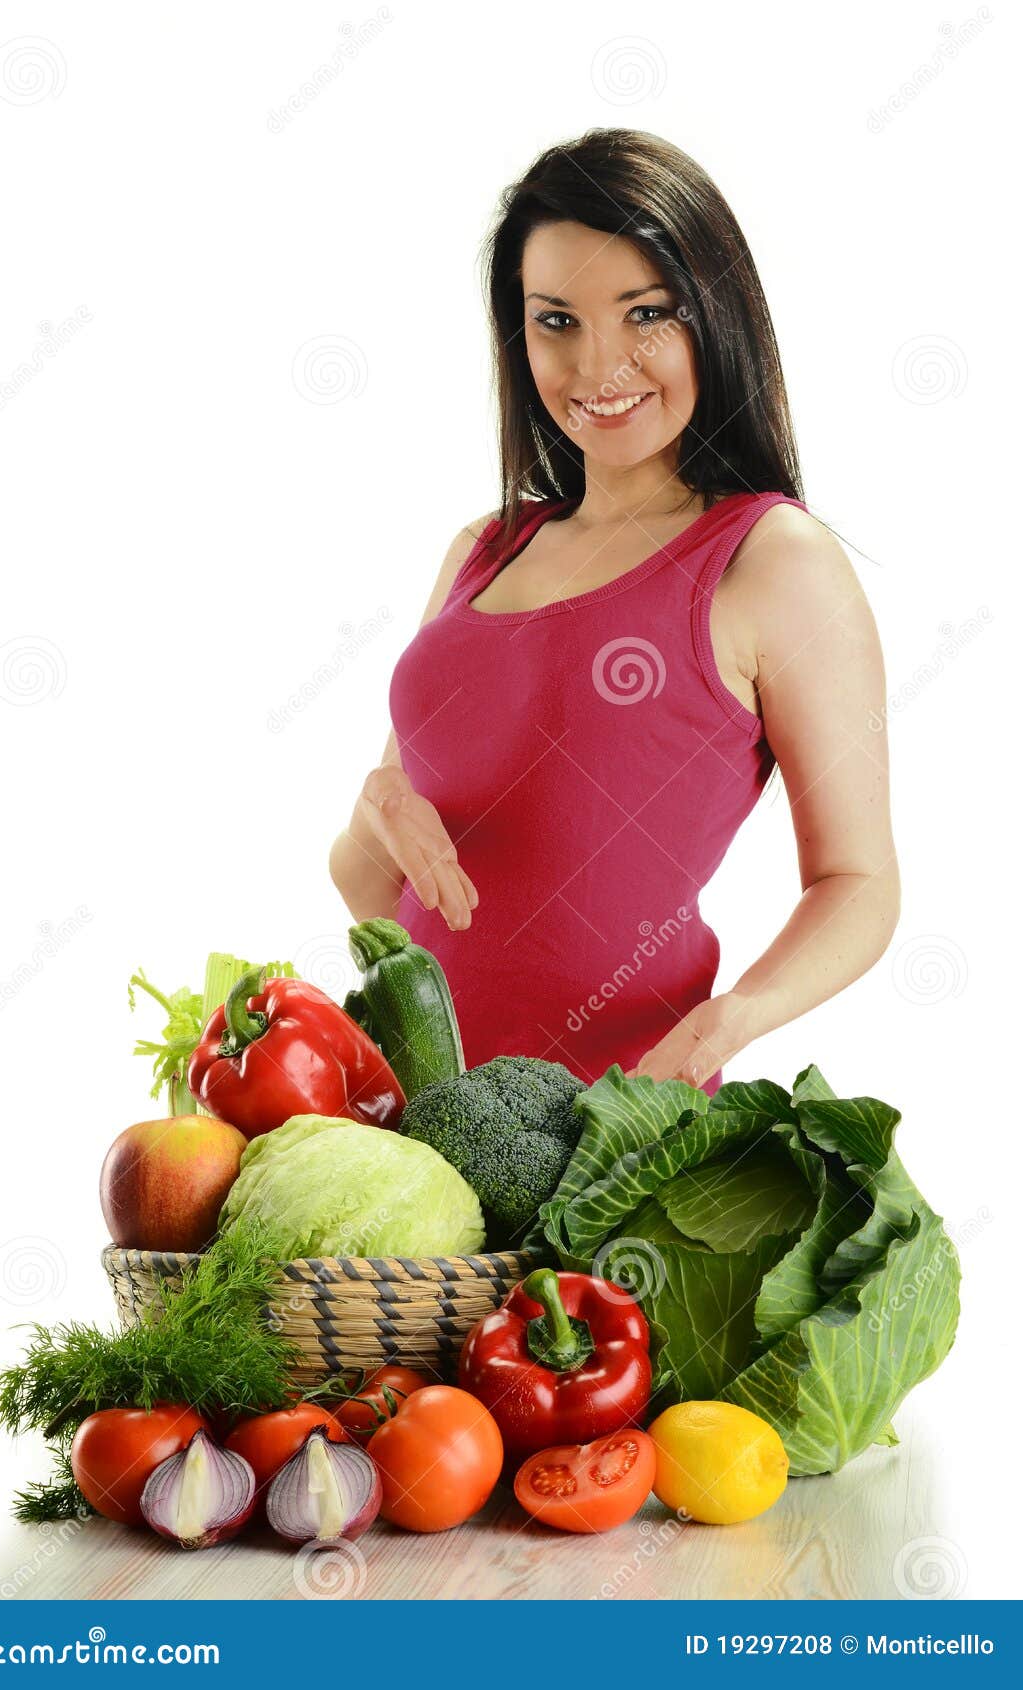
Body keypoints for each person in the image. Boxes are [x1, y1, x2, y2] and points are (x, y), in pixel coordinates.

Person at [329, 128, 899, 1096]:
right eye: (556, 321)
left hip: (618, 1141)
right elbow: (370, 890)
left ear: (712, 314)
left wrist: (734, 1019)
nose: (599, 366)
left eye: (646, 313)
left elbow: (858, 883)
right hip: (405, 1128)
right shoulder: (480, 551)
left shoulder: (768, 561)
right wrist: (375, 808)